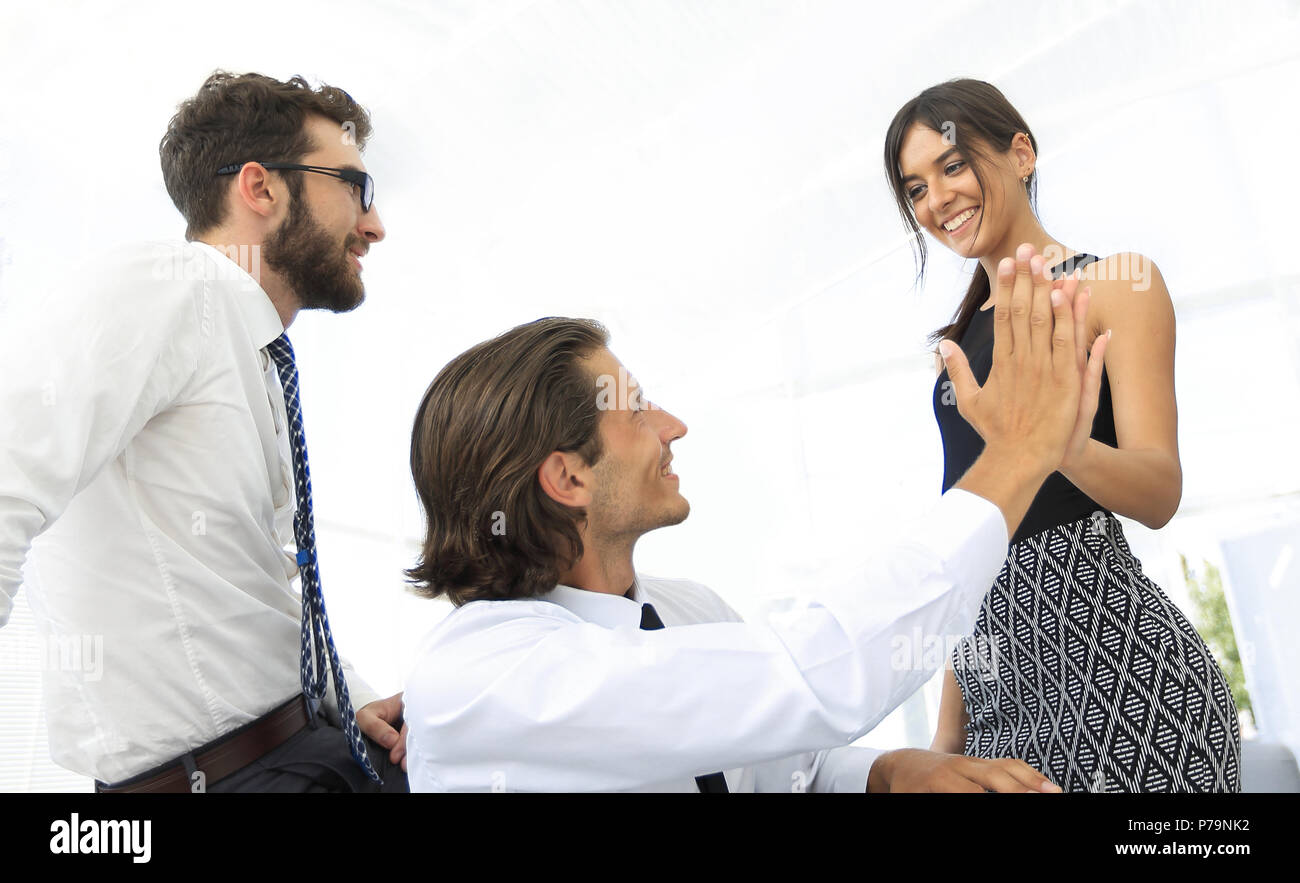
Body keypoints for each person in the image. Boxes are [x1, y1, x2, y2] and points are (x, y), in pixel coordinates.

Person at [401, 248, 1108, 791]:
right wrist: (1015, 457)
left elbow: (777, 754)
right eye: (637, 409)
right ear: (568, 477)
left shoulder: (688, 608)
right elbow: (814, 675)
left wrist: (886, 772)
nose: (672, 425)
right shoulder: (483, 675)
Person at [0, 71, 408, 792]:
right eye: (353, 187)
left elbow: (244, 578)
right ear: (260, 188)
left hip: (298, 751)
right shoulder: (166, 286)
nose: (372, 225)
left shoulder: (250, 345)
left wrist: (347, 694)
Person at [883, 77, 1240, 792]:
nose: (936, 199)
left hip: (1128, 687)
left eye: (952, 165)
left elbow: (1158, 489)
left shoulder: (1118, 284)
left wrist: (1058, 445)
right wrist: (947, 734)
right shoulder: (957, 345)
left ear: (1022, 153)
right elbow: (969, 538)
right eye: (914, 187)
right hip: (997, 691)